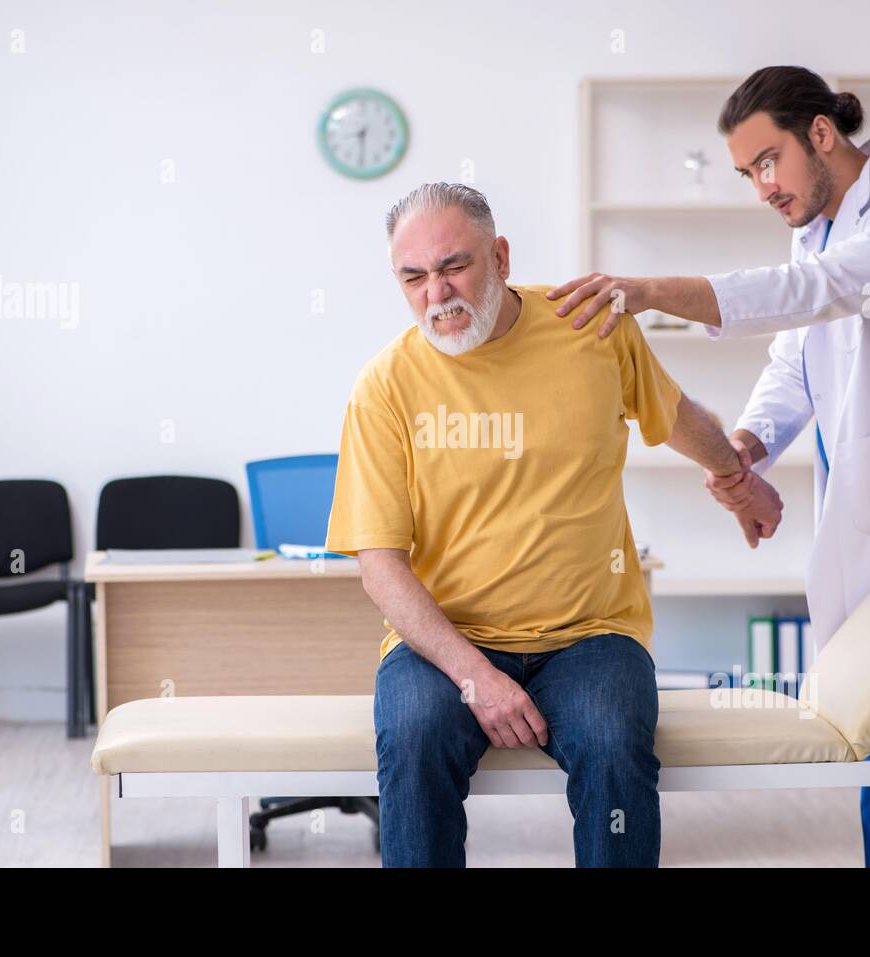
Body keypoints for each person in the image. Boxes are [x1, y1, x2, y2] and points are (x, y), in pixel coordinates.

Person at [548, 66, 870, 867]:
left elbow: (818, 292)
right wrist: (746, 450)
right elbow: (796, 355)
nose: (761, 186)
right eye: (746, 173)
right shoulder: (820, 225)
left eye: (768, 161)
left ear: (821, 134)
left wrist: (652, 289)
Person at [324, 182, 782, 867]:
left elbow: (674, 413)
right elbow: (381, 563)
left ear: (501, 256)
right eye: (413, 277)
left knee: (612, 742)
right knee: (415, 737)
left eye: (454, 266)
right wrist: (475, 674)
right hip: (447, 642)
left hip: (590, 635)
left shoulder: (589, 326)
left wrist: (737, 477)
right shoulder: (386, 385)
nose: (437, 293)